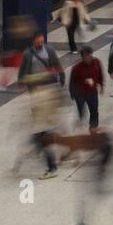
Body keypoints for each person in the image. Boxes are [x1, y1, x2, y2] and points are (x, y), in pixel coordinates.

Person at [16, 31, 64, 181]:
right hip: (35, 93)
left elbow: (57, 66)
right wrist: (22, 82)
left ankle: (50, 163)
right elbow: (22, 73)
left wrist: (60, 82)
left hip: (48, 93)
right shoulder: (27, 54)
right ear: (34, 40)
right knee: (40, 127)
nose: (40, 42)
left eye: (42, 39)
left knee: (41, 129)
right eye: (38, 40)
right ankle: (42, 145)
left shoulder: (49, 50)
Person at [68, 45, 104, 129]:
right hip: (80, 93)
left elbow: (100, 75)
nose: (87, 58)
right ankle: (81, 114)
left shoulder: (96, 62)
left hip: (92, 91)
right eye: (85, 56)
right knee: (81, 108)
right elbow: (72, 82)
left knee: (94, 110)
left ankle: (93, 127)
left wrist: (102, 85)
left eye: (89, 55)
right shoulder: (76, 68)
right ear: (82, 57)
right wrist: (72, 94)